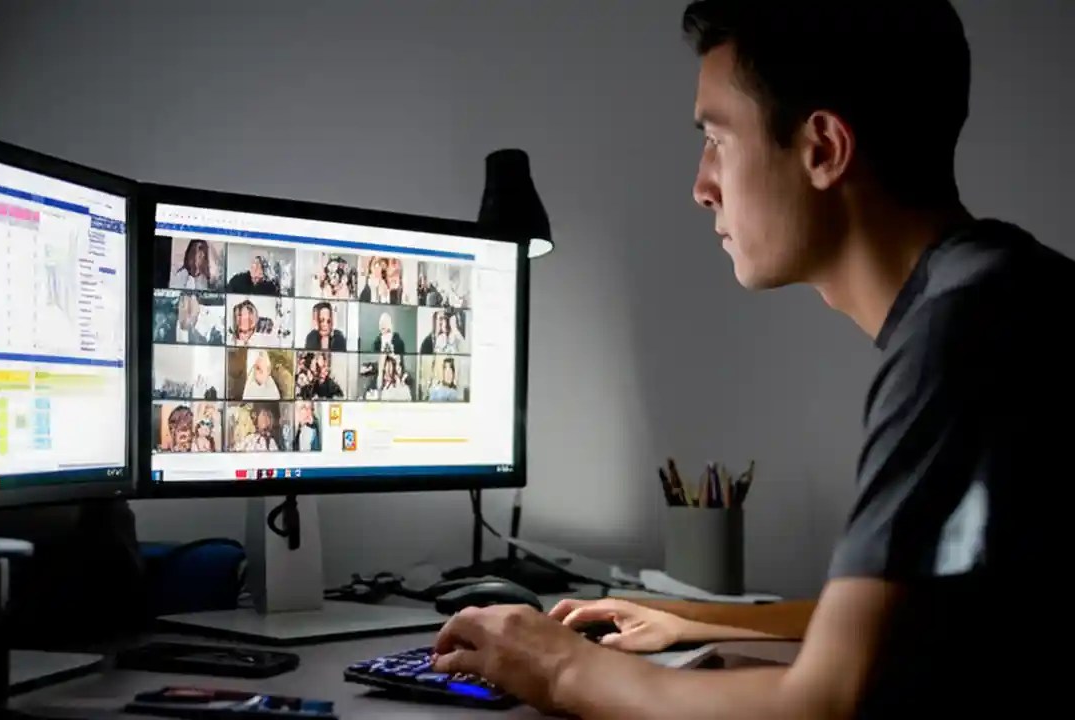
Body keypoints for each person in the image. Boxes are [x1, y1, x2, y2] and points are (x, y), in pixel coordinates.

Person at [429, 2, 1068, 718]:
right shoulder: (1009, 285)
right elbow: (896, 623)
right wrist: (691, 621)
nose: (702, 185)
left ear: (823, 148)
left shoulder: (959, 334)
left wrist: (556, 669)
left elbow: (826, 703)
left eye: (716, 138)